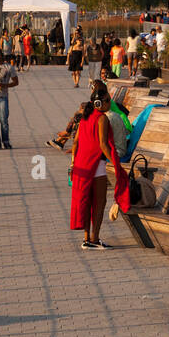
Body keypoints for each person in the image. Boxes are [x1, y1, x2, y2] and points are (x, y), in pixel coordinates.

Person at [69, 93, 125, 250]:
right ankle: (95, 239)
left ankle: (86, 238)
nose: (110, 103)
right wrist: (116, 163)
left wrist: (73, 162)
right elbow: (103, 144)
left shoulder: (85, 117)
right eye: (109, 100)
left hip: (82, 165)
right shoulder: (102, 118)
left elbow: (75, 142)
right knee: (99, 204)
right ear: (103, 103)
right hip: (96, 165)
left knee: (86, 201)